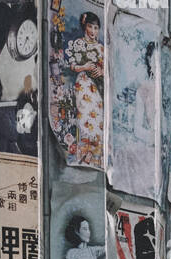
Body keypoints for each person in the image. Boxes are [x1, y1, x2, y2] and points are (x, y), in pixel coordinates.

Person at [66, 11, 104, 166]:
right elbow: (73, 65)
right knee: (84, 117)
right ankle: (83, 155)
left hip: (97, 87)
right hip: (83, 84)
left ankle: (96, 157)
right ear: (84, 26)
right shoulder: (78, 44)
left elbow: (107, 69)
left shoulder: (101, 48)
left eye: (96, 28)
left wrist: (101, 71)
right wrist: (84, 66)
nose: (93, 31)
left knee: (97, 118)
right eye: (90, 27)